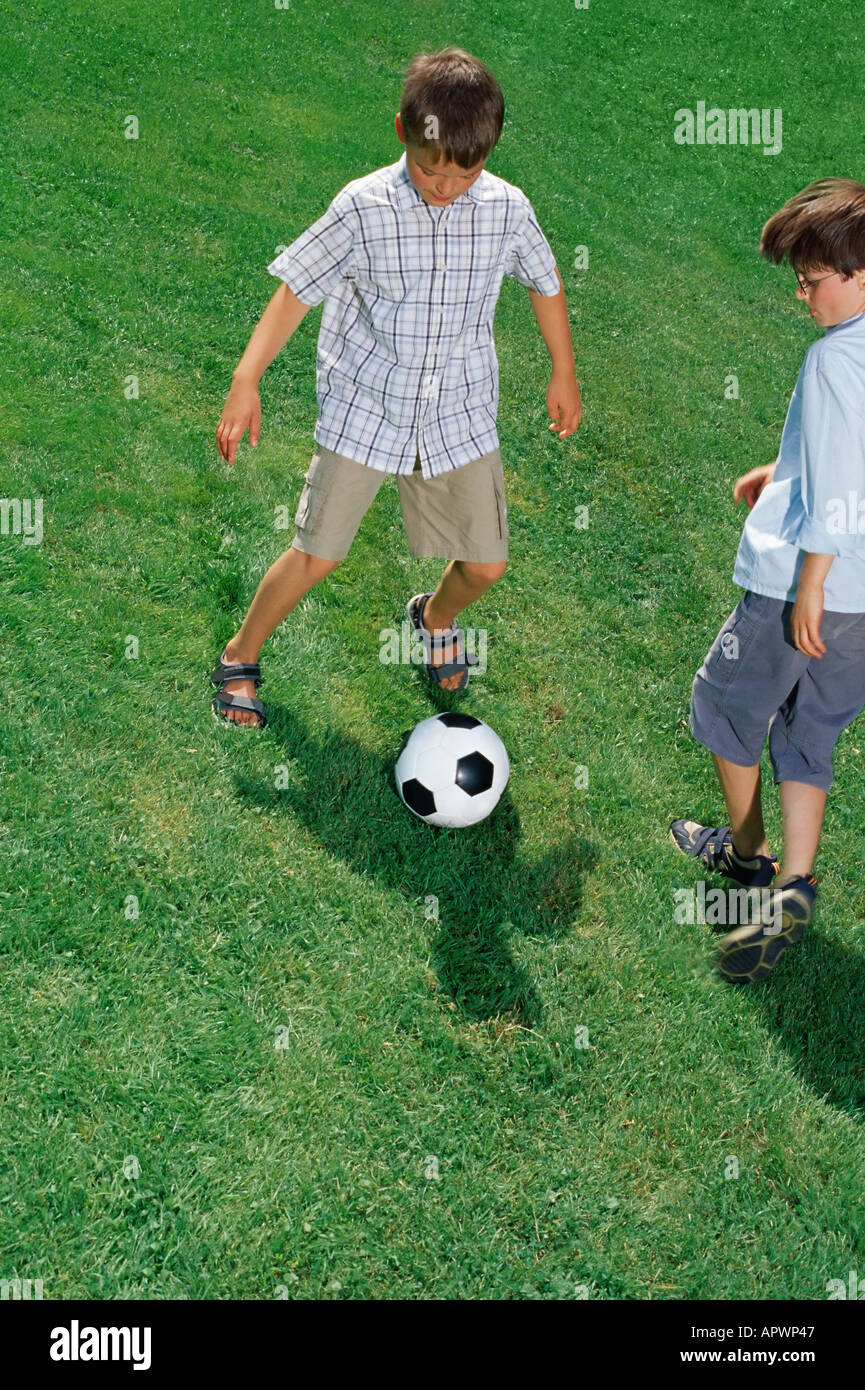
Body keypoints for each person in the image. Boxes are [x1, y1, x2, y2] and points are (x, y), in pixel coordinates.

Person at [211, 46, 581, 728]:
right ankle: (240, 654)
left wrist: (563, 370)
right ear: (401, 134)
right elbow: (297, 291)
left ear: (488, 152)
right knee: (316, 552)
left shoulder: (506, 208)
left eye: (460, 176)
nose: (442, 186)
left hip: (457, 410)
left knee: (486, 565)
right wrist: (246, 378)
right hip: (366, 404)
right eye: (428, 169)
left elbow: (544, 280)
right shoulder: (363, 207)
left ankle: (432, 615)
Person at [671, 178, 865, 983]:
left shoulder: (832, 360)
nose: (801, 292)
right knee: (807, 734)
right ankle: (795, 882)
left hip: (798, 587)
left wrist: (811, 577)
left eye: (813, 277)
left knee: (723, 706)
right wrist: (779, 470)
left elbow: (840, 479)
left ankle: (746, 854)